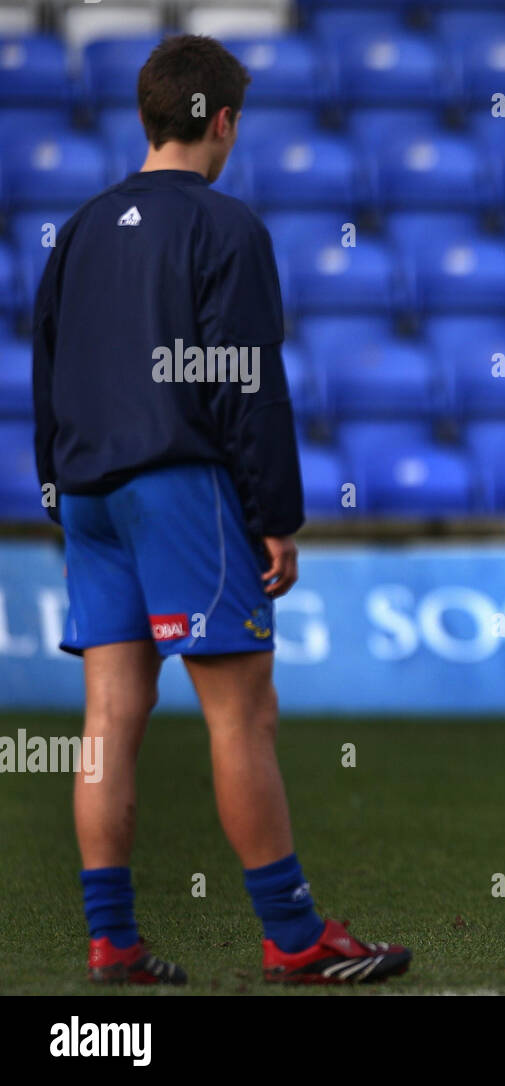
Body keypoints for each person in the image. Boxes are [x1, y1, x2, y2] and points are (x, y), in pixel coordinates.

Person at [31, 34, 411, 985]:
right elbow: (247, 386)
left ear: (150, 115)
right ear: (223, 120)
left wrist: (63, 493)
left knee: (109, 720)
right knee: (243, 717)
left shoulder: (78, 228)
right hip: (180, 490)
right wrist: (273, 512)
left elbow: (45, 375)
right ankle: (294, 936)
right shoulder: (225, 226)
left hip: (87, 496)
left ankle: (111, 939)